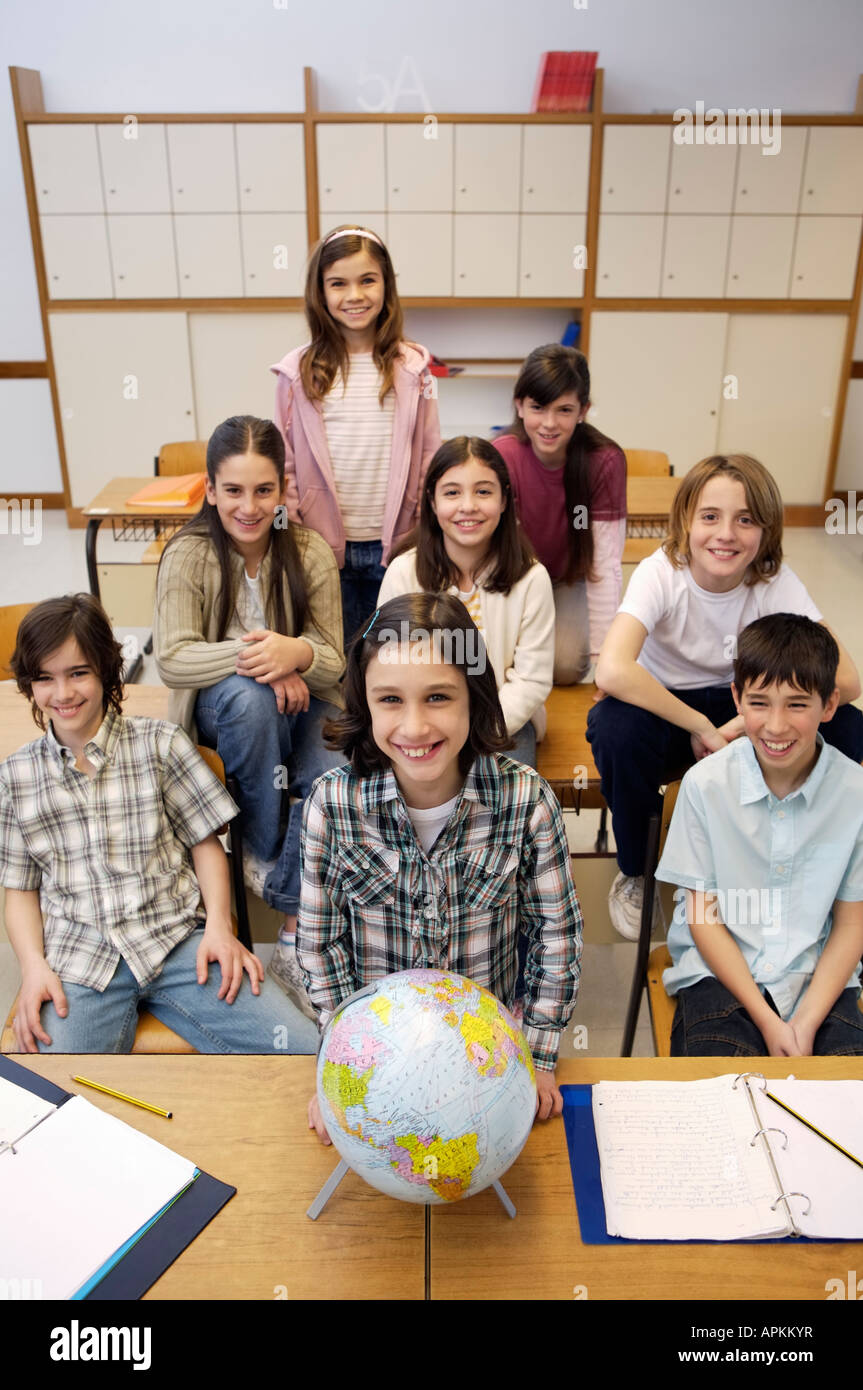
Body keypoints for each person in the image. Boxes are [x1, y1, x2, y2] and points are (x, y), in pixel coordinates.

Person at [297, 592, 583, 1144]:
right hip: (379, 1060)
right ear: (365, 704)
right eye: (389, 700)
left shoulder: (526, 801)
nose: (414, 726)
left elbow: (557, 938)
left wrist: (541, 1053)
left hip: (485, 1064)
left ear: (473, 699)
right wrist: (341, 1066)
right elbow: (319, 944)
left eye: (437, 697)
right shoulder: (331, 805)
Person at [0, 594, 318, 1055]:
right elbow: (20, 890)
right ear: (29, 685)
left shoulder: (161, 744)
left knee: (303, 1050)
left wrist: (219, 930)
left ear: (108, 670)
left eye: (78, 673)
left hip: (181, 946)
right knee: (62, 1098)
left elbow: (206, 845)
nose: (63, 693)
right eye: (45, 678)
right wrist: (33, 967)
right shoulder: (16, 776)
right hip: (81, 964)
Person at [588, 453, 863, 940]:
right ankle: (637, 870)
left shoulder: (772, 579)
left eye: (746, 520)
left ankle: (818, 866)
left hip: (745, 711)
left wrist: (740, 724)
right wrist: (699, 725)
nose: (726, 534)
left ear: (765, 531)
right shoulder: (662, 572)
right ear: (686, 522)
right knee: (615, 728)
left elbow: (847, 678)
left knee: (848, 726)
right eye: (710, 517)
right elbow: (612, 669)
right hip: (668, 709)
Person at [154, 415, 344, 1015]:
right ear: (209, 489)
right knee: (251, 696)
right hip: (227, 708)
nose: (249, 505)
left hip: (303, 700)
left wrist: (300, 653)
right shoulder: (189, 553)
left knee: (340, 753)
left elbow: (334, 661)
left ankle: (289, 914)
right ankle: (263, 848)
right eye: (233, 490)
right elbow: (173, 658)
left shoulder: (308, 550)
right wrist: (264, 656)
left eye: (264, 490)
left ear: (284, 489)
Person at [656, 614, 863, 1057]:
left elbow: (851, 925)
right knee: (723, 1100)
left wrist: (804, 1023)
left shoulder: (855, 793)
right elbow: (703, 918)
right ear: (737, 699)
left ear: (829, 705)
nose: (775, 725)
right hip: (718, 978)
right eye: (759, 702)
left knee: (846, 1106)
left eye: (797, 704)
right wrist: (770, 1023)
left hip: (819, 983)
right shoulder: (705, 785)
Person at [271, 224, 441, 646]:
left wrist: (422, 529)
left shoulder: (416, 367)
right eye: (338, 284)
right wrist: (296, 532)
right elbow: (284, 464)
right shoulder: (296, 373)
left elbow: (429, 455)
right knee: (340, 659)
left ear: (387, 285)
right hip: (324, 549)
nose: (354, 295)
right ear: (320, 292)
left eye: (368, 280)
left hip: (399, 546)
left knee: (395, 654)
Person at [378, 435, 554, 769]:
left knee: (503, 797)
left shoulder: (532, 578)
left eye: (484, 491)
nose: (468, 505)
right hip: (420, 723)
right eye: (452, 492)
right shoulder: (403, 572)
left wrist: (475, 730)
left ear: (504, 500)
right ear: (432, 501)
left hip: (503, 722)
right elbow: (388, 665)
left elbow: (532, 680)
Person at [494, 344, 626, 684]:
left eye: (564, 410)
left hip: (568, 579)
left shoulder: (604, 461)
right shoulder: (503, 455)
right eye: (538, 407)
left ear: (584, 410)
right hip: (513, 577)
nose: (549, 424)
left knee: (565, 668)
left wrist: (603, 659)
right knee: (496, 661)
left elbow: (604, 564)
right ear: (519, 406)